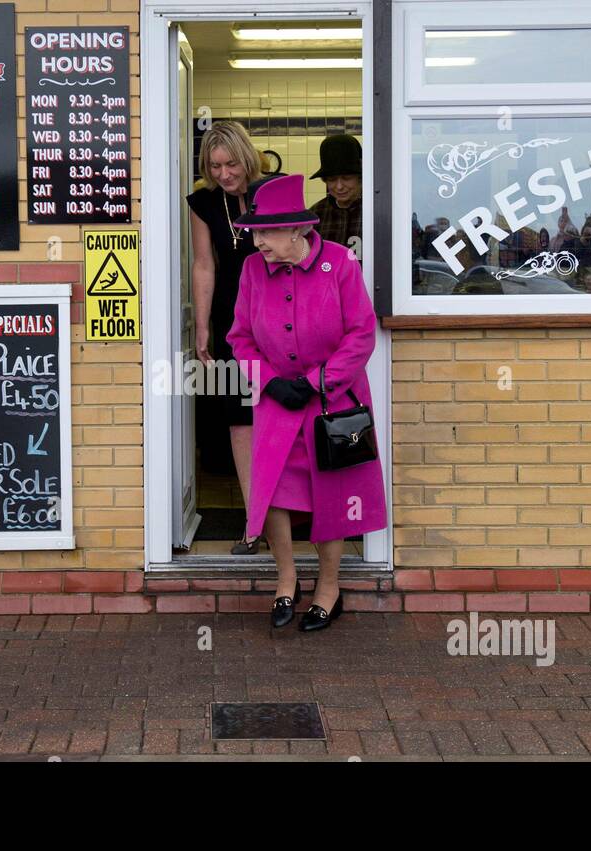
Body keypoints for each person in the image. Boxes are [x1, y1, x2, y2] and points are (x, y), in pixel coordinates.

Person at [227, 174, 387, 632]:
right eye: (254, 232)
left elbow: (361, 333)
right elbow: (240, 337)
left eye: (267, 232)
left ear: (297, 229)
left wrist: (320, 381)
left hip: (333, 402)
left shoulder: (339, 263)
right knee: (273, 491)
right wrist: (269, 381)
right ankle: (286, 580)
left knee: (330, 495)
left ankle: (328, 589)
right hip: (278, 402)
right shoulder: (252, 270)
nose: (258, 241)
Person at [185, 121, 267, 554]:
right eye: (215, 166)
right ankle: (255, 523)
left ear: (246, 157)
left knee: (284, 414)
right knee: (240, 417)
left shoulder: (273, 190)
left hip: (279, 317)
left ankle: (291, 515)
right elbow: (204, 264)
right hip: (232, 322)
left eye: (231, 164)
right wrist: (202, 327)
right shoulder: (203, 202)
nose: (223, 174)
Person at [310, 134, 363, 249]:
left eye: (347, 178)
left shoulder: (375, 210)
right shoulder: (316, 213)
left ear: (360, 178)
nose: (339, 187)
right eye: (332, 179)